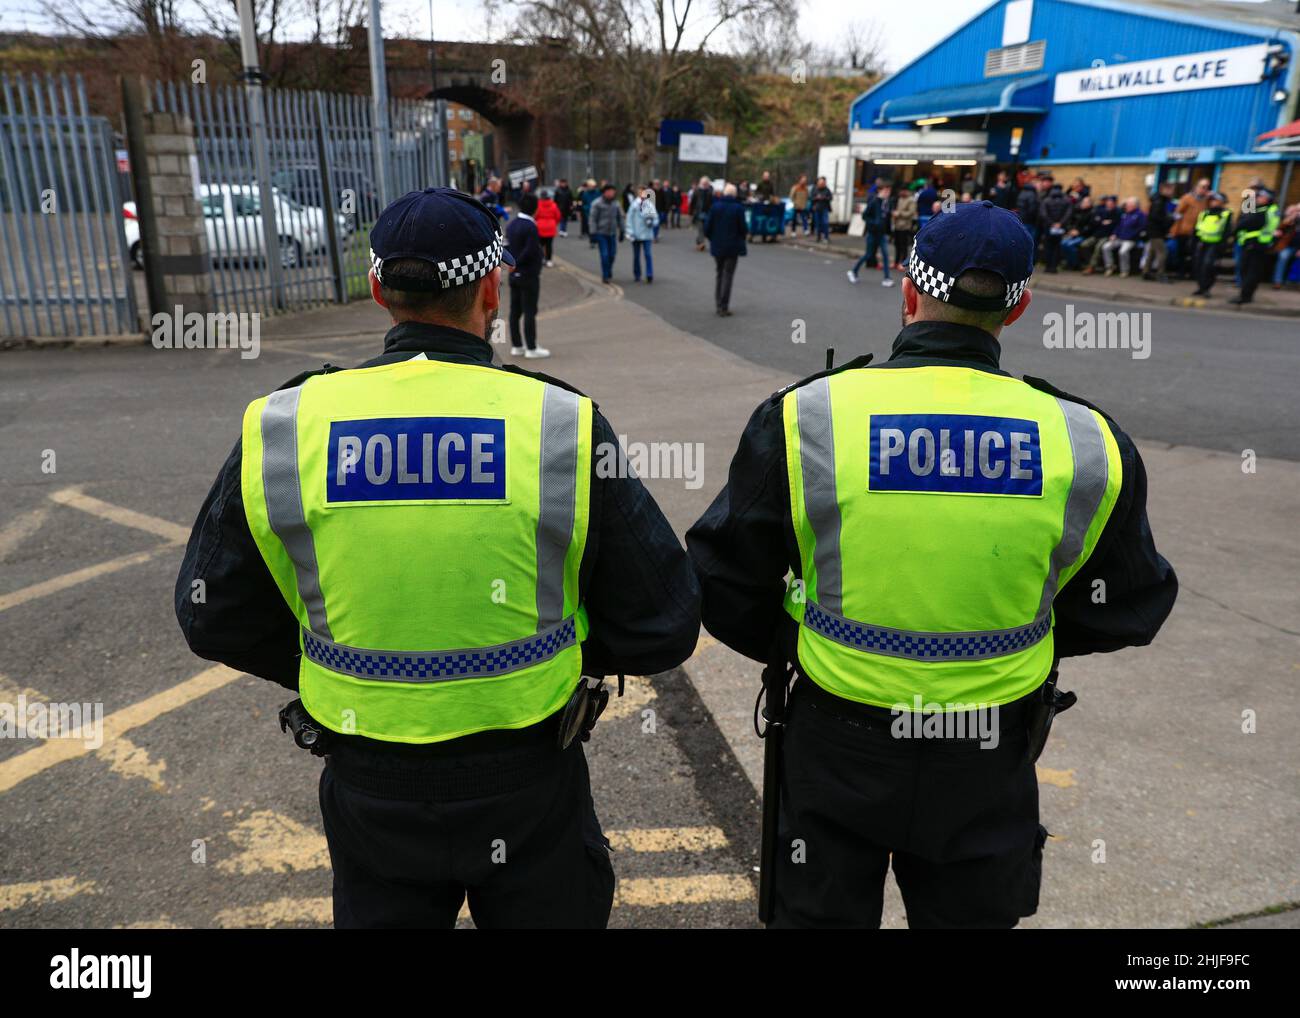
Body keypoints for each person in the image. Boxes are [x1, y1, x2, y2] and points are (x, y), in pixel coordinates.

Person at [174, 186, 701, 929]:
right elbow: (665, 623)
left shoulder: (286, 423)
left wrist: (345, 660)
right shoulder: (560, 422)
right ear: (492, 289)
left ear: (378, 291)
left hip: (367, 780)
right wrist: (559, 646)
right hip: (528, 782)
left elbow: (212, 614)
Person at [687, 199, 1177, 929]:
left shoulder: (809, 416)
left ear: (910, 293)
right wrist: (1007, 623)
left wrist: (803, 636)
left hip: (835, 739)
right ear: (1017, 310)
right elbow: (1131, 606)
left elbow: (721, 581)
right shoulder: (1086, 439)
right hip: (988, 750)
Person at [505, 192, 548, 358]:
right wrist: (517, 263)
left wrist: (511, 264)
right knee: (530, 310)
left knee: (515, 311)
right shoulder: (530, 226)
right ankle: (531, 347)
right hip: (528, 273)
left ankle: (517, 346)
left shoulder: (511, 224)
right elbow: (531, 250)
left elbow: (506, 246)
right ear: (535, 208)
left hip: (513, 275)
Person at [1231, 187, 1281, 305]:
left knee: (1249, 271)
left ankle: (1245, 296)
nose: (1258, 198)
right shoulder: (1271, 209)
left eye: (1261, 197)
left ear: (1268, 199)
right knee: (1249, 271)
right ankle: (1246, 295)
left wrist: (1235, 230)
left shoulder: (1263, 211)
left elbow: (1246, 222)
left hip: (1255, 243)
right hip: (1257, 243)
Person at [704, 182, 747, 316]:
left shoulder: (715, 207)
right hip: (733, 246)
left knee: (719, 274)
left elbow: (707, 228)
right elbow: (744, 229)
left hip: (718, 245)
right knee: (728, 275)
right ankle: (724, 305)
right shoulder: (738, 208)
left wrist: (713, 239)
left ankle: (718, 304)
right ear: (734, 195)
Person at [847, 182, 894, 287]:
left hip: (882, 234)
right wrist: (874, 223)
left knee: (885, 255)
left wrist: (889, 232)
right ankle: (853, 272)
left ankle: (887, 278)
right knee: (868, 255)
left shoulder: (887, 203)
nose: (888, 193)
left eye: (889, 191)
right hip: (872, 233)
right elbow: (865, 216)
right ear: (880, 191)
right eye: (886, 191)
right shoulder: (874, 202)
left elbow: (887, 218)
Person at [1191, 192, 1232, 297]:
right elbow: (1197, 229)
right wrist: (1193, 242)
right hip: (1202, 243)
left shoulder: (1225, 214)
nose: (1213, 202)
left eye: (1216, 200)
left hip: (1215, 244)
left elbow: (1227, 232)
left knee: (1208, 266)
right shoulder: (1204, 213)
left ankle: (1206, 288)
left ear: (1222, 202)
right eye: (1212, 200)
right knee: (1199, 266)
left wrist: (1223, 246)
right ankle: (1200, 287)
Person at [1171, 178, 1210, 279]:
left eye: (1207, 187)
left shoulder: (1206, 200)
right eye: (1203, 187)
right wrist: (1176, 228)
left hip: (1198, 231)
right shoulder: (1187, 198)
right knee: (1182, 253)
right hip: (1184, 230)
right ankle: (1181, 273)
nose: (1205, 189)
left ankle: (1193, 273)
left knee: (1195, 253)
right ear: (1196, 187)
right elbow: (1177, 213)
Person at [1101, 196, 1146, 277]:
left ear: (1134, 205)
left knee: (1123, 251)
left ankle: (1124, 270)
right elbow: (1119, 226)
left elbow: (1141, 229)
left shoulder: (1140, 215)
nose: (1126, 206)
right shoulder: (1125, 214)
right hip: (1119, 238)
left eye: (1128, 204)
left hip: (1131, 240)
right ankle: (1110, 267)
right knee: (1106, 247)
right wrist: (1114, 234)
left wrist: (1130, 236)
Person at [590, 183, 624, 284]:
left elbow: (620, 218)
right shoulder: (597, 203)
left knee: (612, 254)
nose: (611, 193)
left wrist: (622, 230)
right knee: (604, 255)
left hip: (612, 233)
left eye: (613, 192)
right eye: (609, 191)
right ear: (604, 192)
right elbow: (592, 219)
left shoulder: (616, 204)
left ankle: (608, 270)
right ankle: (605, 275)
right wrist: (593, 233)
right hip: (601, 233)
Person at [1141, 183, 1175, 282]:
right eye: (1170, 190)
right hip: (1156, 231)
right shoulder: (1159, 202)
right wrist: (1169, 218)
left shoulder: (1159, 200)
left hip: (1154, 230)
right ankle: (1161, 274)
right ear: (1163, 190)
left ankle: (1146, 272)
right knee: (1163, 252)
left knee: (1152, 252)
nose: (1172, 192)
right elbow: (1156, 217)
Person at [626, 186, 659, 284]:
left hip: (647, 234)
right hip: (636, 234)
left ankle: (649, 274)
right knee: (636, 256)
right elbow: (629, 219)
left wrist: (652, 223)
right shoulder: (634, 205)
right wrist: (630, 231)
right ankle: (637, 274)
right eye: (640, 192)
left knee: (648, 255)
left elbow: (656, 218)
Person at [1037, 181, 1071, 274]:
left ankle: (1048, 267)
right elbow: (1068, 213)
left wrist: (1051, 223)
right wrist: (1060, 223)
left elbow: (1043, 214)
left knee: (1048, 246)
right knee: (1057, 247)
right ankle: (1054, 267)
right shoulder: (1066, 200)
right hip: (1060, 227)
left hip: (1048, 227)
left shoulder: (1046, 200)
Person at [1080, 195, 1119, 274]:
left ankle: (1091, 267)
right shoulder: (1101, 210)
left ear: (1114, 203)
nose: (1109, 203)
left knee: (1098, 247)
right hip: (1097, 234)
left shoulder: (1117, 212)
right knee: (1084, 245)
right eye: (1108, 202)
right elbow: (1094, 221)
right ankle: (1090, 263)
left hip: (1107, 235)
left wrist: (1105, 223)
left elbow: (1115, 224)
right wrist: (1102, 222)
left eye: (1111, 202)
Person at [1060, 195, 1093, 270]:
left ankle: (1075, 264)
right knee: (1063, 243)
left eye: (1085, 202)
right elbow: (1071, 222)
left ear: (1090, 204)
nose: (1083, 204)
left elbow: (1090, 227)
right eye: (1083, 202)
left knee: (1070, 245)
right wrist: (1071, 230)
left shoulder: (1091, 213)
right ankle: (1069, 262)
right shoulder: (1078, 211)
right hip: (1073, 234)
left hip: (1084, 235)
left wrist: (1079, 232)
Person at [1272, 204, 1300, 289]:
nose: (1298, 213)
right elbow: (1279, 230)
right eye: (1297, 211)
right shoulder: (1291, 221)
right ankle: (1278, 281)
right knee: (1283, 256)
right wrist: (1289, 219)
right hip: (1289, 246)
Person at [890, 184, 918, 267]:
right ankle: (896, 262)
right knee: (897, 245)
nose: (900, 192)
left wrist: (899, 213)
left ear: (906, 191)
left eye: (902, 191)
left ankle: (903, 263)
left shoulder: (911, 200)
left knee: (904, 246)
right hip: (897, 225)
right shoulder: (900, 199)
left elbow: (911, 213)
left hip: (905, 226)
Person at [534, 188, 562, 267]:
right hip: (551, 226)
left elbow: (535, 216)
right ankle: (549, 260)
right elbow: (558, 216)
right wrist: (554, 223)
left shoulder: (538, 205)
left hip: (540, 227)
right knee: (549, 245)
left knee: (540, 245)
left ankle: (542, 258)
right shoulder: (553, 205)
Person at [690, 176, 715, 251]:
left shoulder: (710, 191)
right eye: (703, 183)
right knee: (700, 228)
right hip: (698, 213)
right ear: (701, 183)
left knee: (705, 229)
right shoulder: (697, 191)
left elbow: (712, 202)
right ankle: (702, 243)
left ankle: (699, 241)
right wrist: (691, 212)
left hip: (707, 213)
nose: (705, 184)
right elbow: (693, 202)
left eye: (706, 183)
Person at [810, 176, 833, 243]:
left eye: (823, 183)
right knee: (818, 223)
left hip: (824, 208)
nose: (821, 184)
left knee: (825, 223)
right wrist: (816, 198)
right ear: (818, 183)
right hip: (817, 208)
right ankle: (818, 237)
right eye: (820, 183)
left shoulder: (827, 190)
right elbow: (811, 198)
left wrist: (824, 198)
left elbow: (830, 198)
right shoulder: (814, 189)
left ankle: (826, 237)